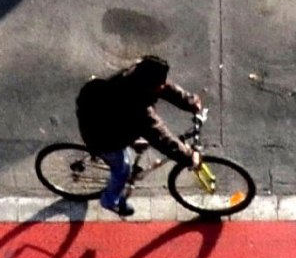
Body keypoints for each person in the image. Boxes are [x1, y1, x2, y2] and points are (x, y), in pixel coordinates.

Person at [75, 55, 204, 216]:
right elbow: (160, 135)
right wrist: (187, 156)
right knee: (123, 169)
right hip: (101, 135)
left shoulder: (137, 75)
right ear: (149, 84)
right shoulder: (135, 104)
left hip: (107, 117)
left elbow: (164, 88)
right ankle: (109, 201)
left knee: (139, 141)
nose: (163, 86)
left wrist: (189, 102)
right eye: (159, 84)